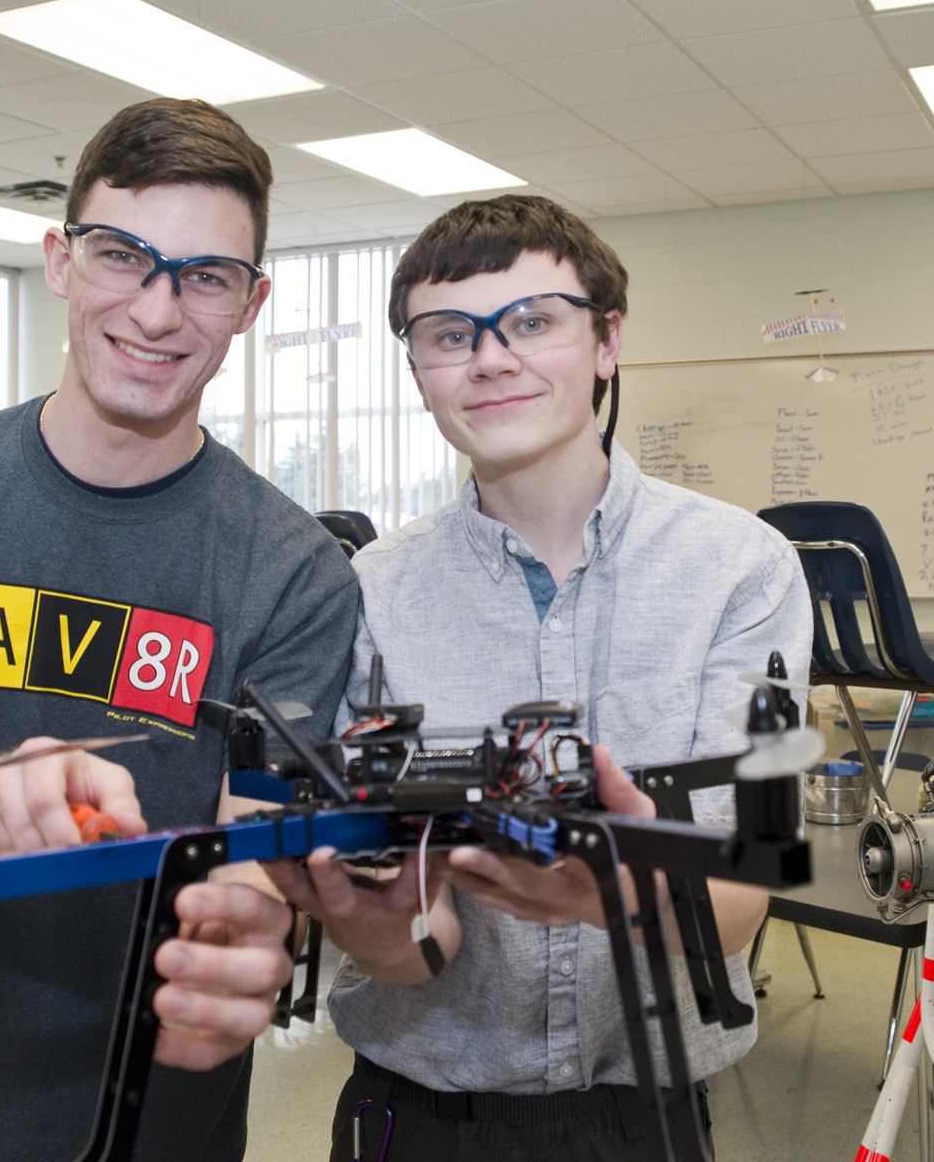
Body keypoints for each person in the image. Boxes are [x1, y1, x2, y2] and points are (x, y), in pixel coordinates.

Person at [0, 97, 360, 1162]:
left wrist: (248, 924)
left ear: (251, 303)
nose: (156, 309)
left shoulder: (294, 571)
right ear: (58, 258)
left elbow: (252, 843)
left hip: (152, 1120)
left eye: (206, 276)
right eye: (121, 254)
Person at [267, 194, 813, 1161]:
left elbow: (738, 899)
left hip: (644, 1116)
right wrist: (375, 921)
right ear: (419, 370)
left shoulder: (743, 571)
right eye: (449, 334)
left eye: (531, 322)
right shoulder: (369, 592)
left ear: (606, 341)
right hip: (417, 1112)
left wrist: (609, 892)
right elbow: (409, 945)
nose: (489, 357)